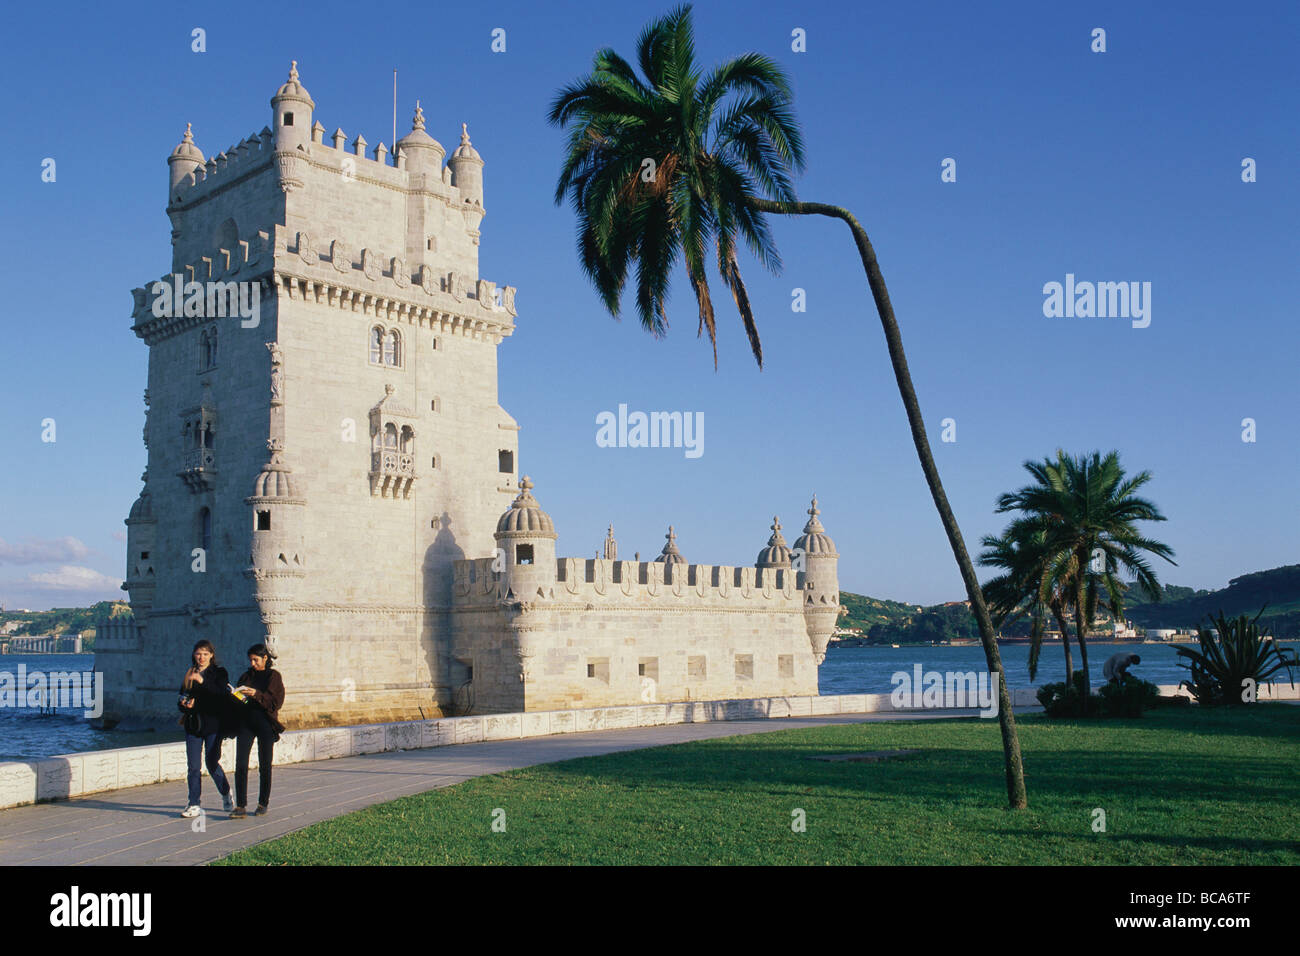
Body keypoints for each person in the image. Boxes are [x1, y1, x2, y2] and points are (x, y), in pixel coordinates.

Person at [177, 639, 235, 818]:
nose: (201, 657)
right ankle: (194, 803)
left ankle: (226, 792)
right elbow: (182, 695)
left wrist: (202, 680)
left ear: (211, 655)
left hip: (213, 725)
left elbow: (220, 694)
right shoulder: (189, 673)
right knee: (193, 767)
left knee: (211, 763)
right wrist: (184, 704)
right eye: (198, 653)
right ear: (194, 655)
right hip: (193, 725)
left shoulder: (219, 673)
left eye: (205, 654)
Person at [231, 643, 286, 818]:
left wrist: (256, 694)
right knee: (240, 764)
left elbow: (274, 703)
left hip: (265, 724)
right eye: (251, 660)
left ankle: (263, 803)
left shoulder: (273, 676)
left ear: (265, 658)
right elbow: (239, 700)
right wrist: (237, 696)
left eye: (256, 660)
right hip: (245, 723)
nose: (253, 663)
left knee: (265, 765)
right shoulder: (246, 676)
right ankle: (240, 805)